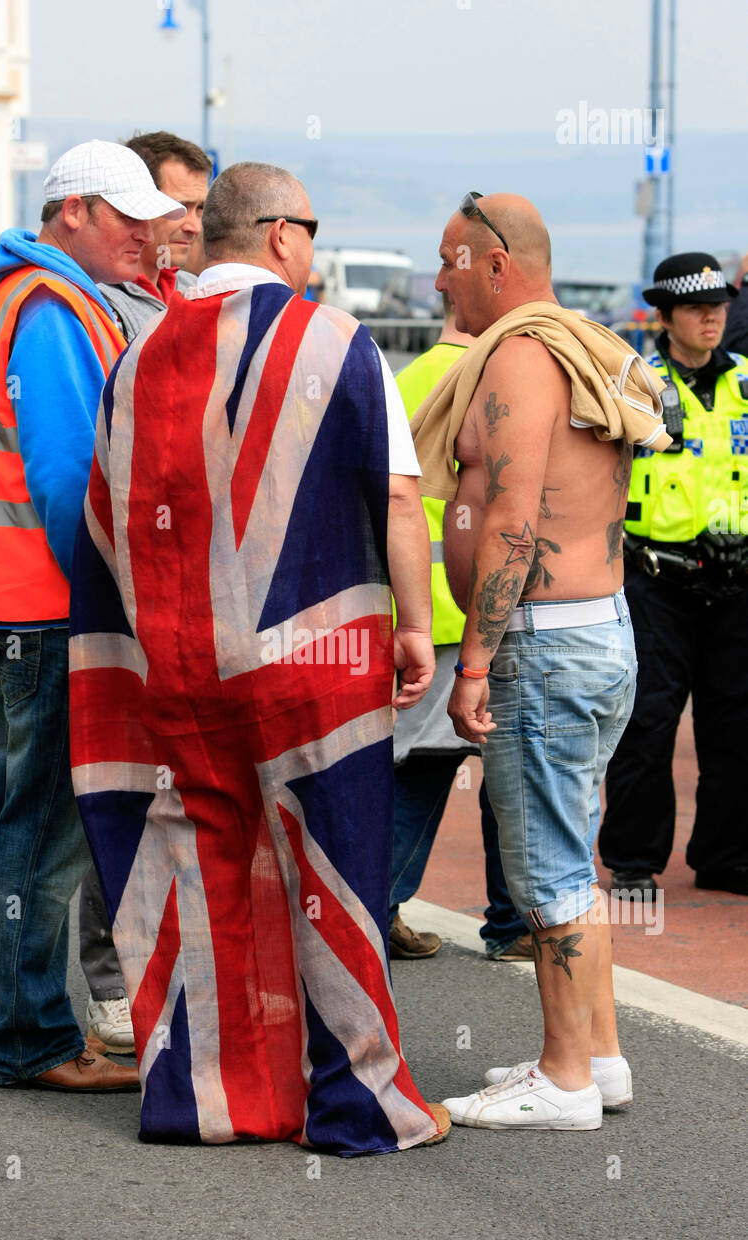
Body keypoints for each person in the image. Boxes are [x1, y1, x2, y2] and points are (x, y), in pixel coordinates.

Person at [68, 161, 450, 1154]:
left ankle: (207, 1096)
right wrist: (415, 625)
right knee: (331, 871)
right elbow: (399, 497)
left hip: (173, 662)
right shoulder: (331, 340)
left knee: (200, 862)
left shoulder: (140, 354)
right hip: (306, 654)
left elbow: (106, 512)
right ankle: (353, 1103)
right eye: (313, 227)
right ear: (281, 235)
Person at [413, 192, 669, 1130]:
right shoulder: (579, 344)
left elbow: (514, 522)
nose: (438, 281)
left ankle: (562, 1082)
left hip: (545, 647)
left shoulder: (521, 358)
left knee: (544, 871)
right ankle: (597, 1060)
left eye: (449, 260)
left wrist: (473, 659)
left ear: (496, 262)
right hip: (597, 633)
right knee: (573, 856)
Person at [0, 140, 183, 1091]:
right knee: (41, 833)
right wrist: (117, 596)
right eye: (125, 217)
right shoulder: (50, 310)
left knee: (13, 819)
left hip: (8, 597)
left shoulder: (21, 297)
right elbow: (66, 479)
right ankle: (29, 1038)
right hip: (47, 606)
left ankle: (11, 1022)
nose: (144, 235)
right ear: (72, 213)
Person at [83, 131, 211, 1052]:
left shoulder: (181, 301)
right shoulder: (103, 308)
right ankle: (105, 982)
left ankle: (164, 965)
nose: (188, 224)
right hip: (114, 587)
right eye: (174, 206)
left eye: (202, 209)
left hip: (182, 586)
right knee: (111, 782)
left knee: (171, 781)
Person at [599, 253, 748, 897]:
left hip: (738, 584)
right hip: (656, 581)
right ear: (664, 316)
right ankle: (634, 859)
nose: (711, 317)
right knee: (647, 723)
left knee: (736, 726)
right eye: (696, 307)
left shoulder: (746, 380)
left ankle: (726, 855)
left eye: (719, 305)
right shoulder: (635, 384)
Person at [389, 291, 530, 961]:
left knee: (430, 765)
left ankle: (505, 920)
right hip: (471, 611)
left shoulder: (406, 376)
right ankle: (505, 922)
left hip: (424, 606)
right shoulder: (497, 378)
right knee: (464, 767)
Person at [98, 131, 212, 340]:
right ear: (141, 203)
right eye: (179, 207)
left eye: (200, 208)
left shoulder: (198, 288)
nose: (194, 226)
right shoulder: (99, 298)